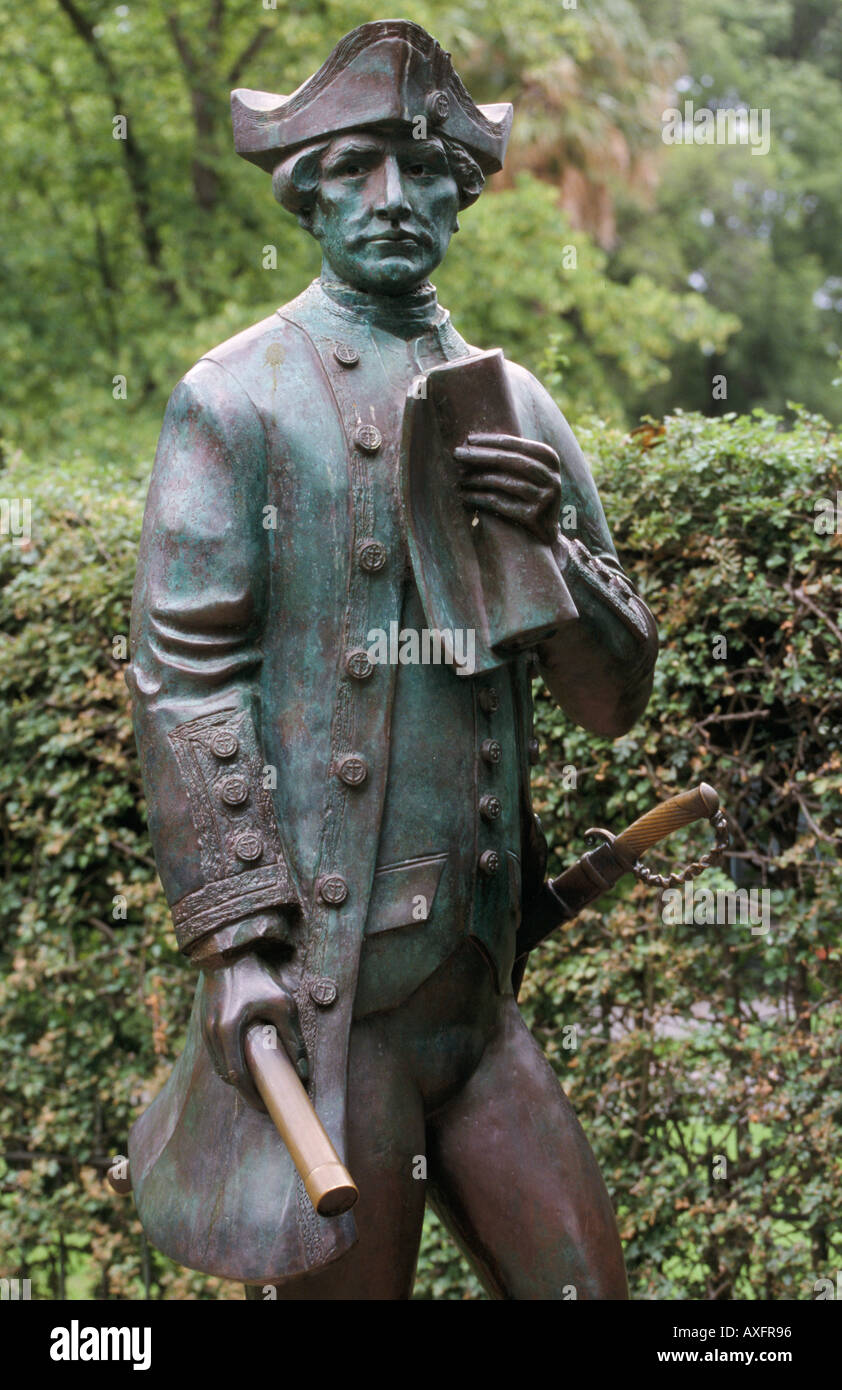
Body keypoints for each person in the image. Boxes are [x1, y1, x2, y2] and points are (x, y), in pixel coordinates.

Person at [126, 19, 658, 1299]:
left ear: (459, 195)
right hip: (332, 1001)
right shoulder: (237, 396)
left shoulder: (517, 403)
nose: (390, 198)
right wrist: (236, 943)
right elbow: (185, 679)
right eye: (357, 165)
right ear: (305, 187)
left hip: (474, 1005)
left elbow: (612, 695)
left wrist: (555, 558)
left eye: (423, 168)